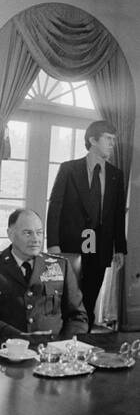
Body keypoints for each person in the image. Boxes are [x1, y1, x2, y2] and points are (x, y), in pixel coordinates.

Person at [47, 120, 128, 327]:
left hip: (100, 246)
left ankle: (85, 343)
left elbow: (118, 214)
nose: (112, 144)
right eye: (108, 139)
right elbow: (55, 207)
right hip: (72, 244)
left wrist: (120, 248)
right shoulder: (69, 169)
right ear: (93, 140)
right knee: (68, 299)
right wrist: (53, 244)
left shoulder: (116, 175)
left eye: (113, 140)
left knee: (89, 300)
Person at [0, 208, 88, 338]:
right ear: (11, 234)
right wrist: (17, 336)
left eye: (39, 233)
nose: (36, 239)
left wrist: (63, 346)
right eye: (28, 233)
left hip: (53, 351)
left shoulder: (61, 266)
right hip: (4, 348)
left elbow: (78, 316)